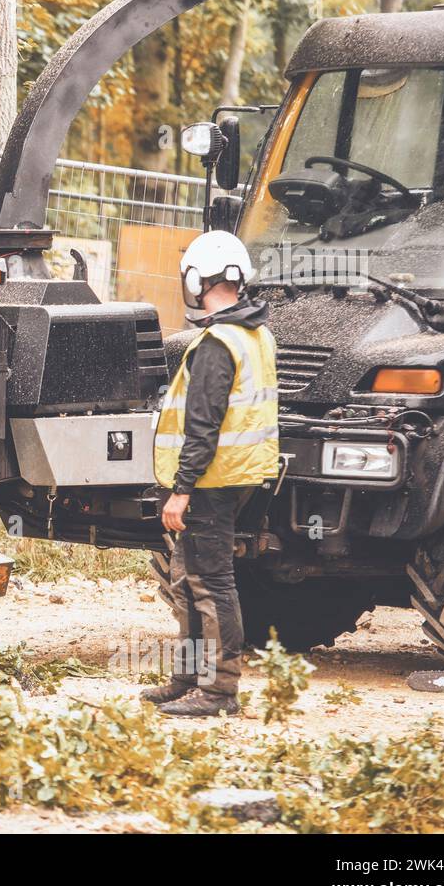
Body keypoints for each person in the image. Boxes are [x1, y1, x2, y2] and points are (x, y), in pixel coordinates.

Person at [145, 230, 279, 718]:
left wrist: (181, 491)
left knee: (211, 582)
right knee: (186, 577)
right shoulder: (255, 334)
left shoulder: (218, 342)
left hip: (210, 482)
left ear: (198, 280)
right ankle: (188, 677)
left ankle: (219, 691)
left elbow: (203, 425)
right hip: (234, 476)